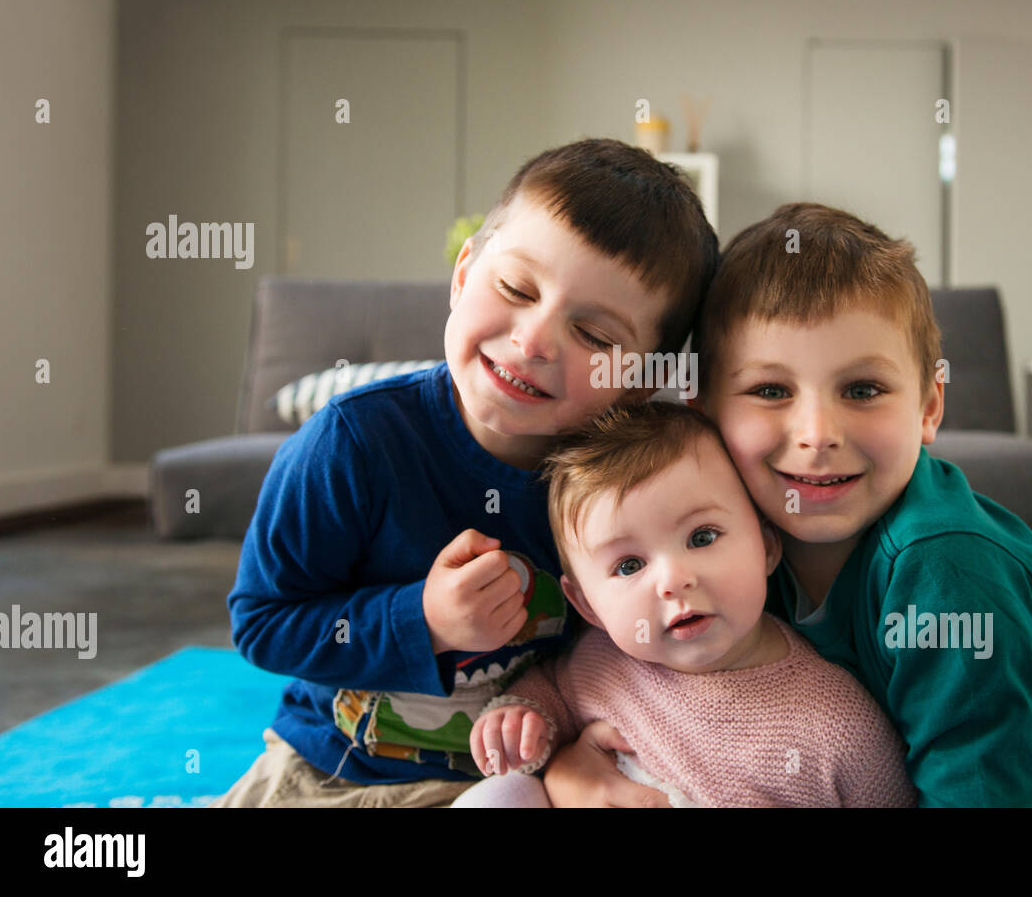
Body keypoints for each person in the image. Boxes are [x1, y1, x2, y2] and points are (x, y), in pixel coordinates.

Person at [545, 201, 1032, 808]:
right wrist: (570, 767)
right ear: (704, 411)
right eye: (771, 390)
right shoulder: (729, 534)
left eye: (862, 389)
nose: (817, 436)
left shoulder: (944, 568)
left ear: (928, 408)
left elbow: (979, 789)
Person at [212, 138, 718, 807]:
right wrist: (423, 618)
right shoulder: (352, 443)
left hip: (507, 786)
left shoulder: (627, 485)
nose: (535, 340)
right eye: (515, 287)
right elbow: (262, 620)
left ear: (635, 384)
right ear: (462, 276)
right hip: (328, 771)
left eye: (596, 336)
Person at [451, 401, 916, 808]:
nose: (673, 580)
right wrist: (520, 718)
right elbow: (552, 690)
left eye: (702, 537)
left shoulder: (835, 726)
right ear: (587, 605)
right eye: (630, 565)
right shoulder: (600, 664)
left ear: (767, 547)